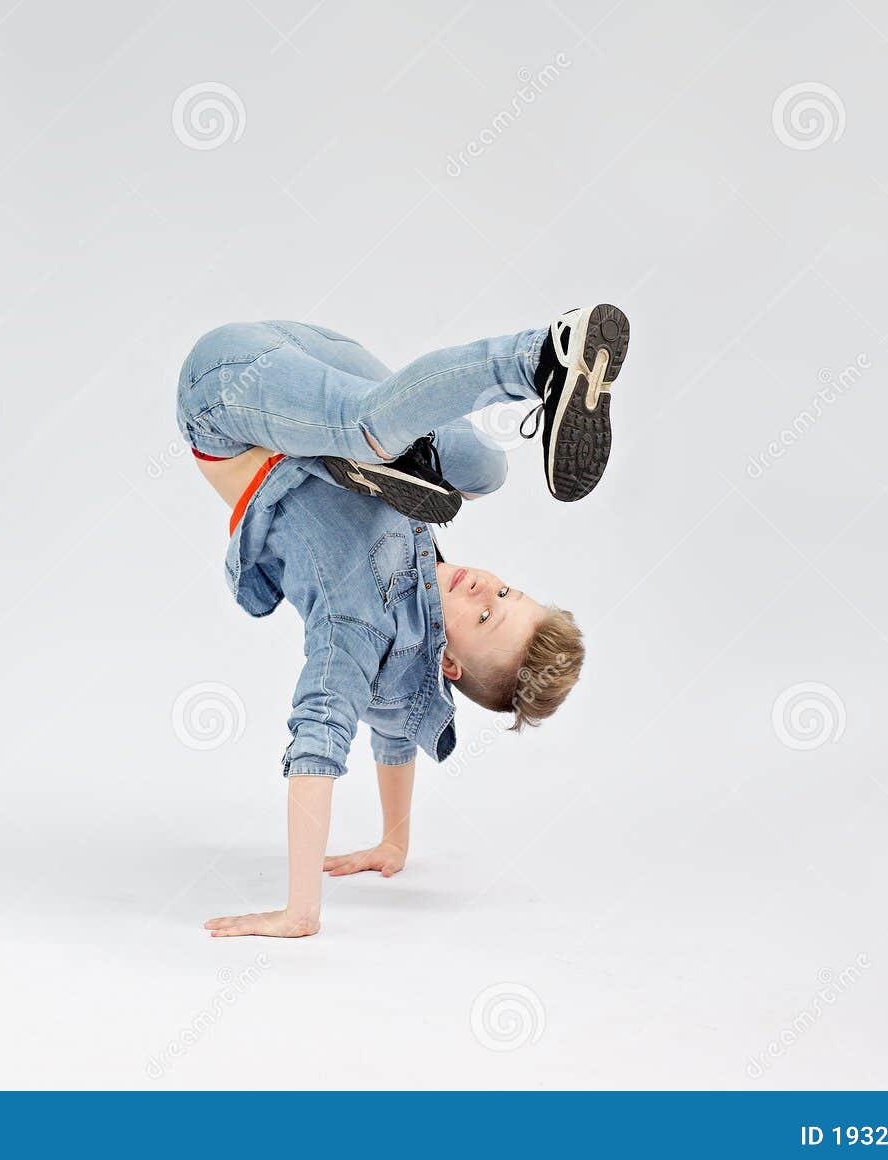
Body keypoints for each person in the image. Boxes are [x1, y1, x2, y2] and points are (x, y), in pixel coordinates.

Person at [176, 305, 629, 937]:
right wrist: (395, 843)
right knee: (484, 470)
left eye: (486, 615)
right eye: (508, 591)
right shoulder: (418, 652)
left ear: (451, 661)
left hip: (224, 391)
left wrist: (300, 909)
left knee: (363, 426)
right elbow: (401, 726)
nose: (484, 587)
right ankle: (387, 452)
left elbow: (319, 744)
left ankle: (538, 357)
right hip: (313, 353)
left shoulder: (359, 630)